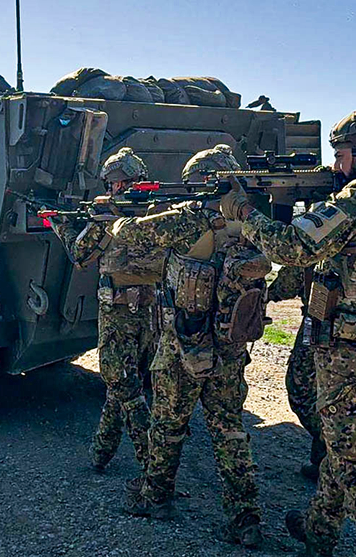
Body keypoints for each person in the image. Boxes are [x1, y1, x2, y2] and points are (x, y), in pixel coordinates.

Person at [222, 101, 356, 556]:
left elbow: (292, 247)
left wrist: (244, 212)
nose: (335, 163)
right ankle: (319, 529)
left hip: (350, 353)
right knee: (346, 444)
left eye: (341, 153)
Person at [113, 145, 270, 549]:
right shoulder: (253, 223)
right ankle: (245, 518)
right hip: (231, 347)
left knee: (168, 425)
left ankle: (155, 497)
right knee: (230, 430)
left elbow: (127, 233)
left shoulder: (187, 219)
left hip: (184, 343)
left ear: (204, 182)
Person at [48, 148, 161, 472]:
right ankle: (102, 451)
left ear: (114, 183)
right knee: (123, 381)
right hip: (150, 316)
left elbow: (80, 254)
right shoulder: (159, 212)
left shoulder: (109, 217)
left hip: (119, 315)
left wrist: (60, 224)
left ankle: (153, 470)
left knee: (125, 387)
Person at [266, 265, 326, 481]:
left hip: (325, 319)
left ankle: (337, 454)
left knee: (302, 388)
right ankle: (334, 459)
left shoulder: (334, 231)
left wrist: (266, 294)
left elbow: (292, 277)